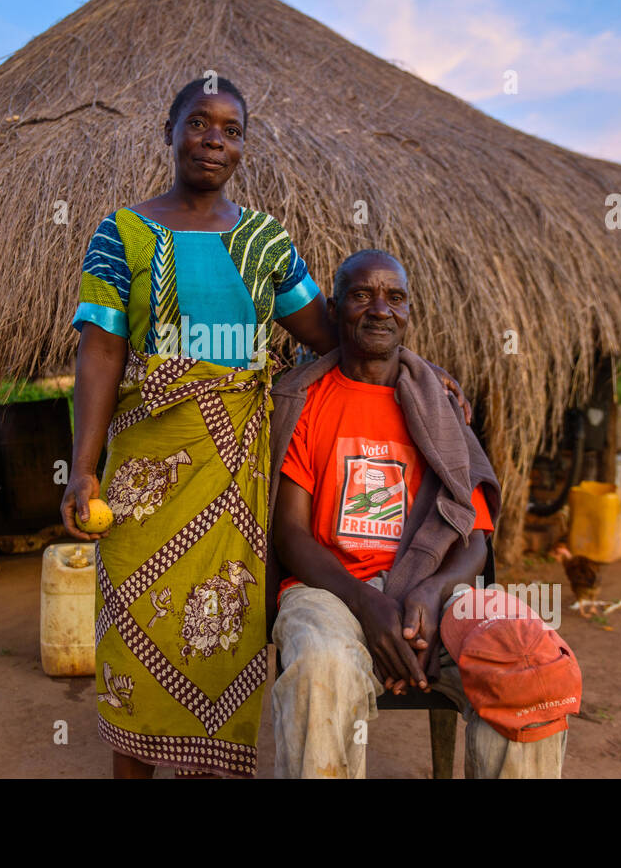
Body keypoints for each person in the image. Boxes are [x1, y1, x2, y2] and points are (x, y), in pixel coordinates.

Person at [60, 78, 338, 778]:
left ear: (242, 146)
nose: (215, 139)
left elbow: (329, 333)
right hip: (142, 478)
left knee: (222, 634)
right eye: (200, 124)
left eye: (232, 129)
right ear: (170, 130)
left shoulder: (266, 239)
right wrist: (83, 467)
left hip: (234, 478)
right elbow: (100, 349)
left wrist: (421, 375)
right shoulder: (119, 233)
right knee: (134, 631)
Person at [267, 249, 575, 778]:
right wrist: (367, 602)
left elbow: (474, 536)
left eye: (396, 297)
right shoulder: (305, 399)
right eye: (362, 294)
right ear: (336, 306)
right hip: (328, 593)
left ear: (410, 311)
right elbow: (290, 534)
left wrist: (430, 594)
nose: (380, 309)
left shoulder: (437, 404)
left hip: (435, 593)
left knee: (528, 668)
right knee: (323, 668)